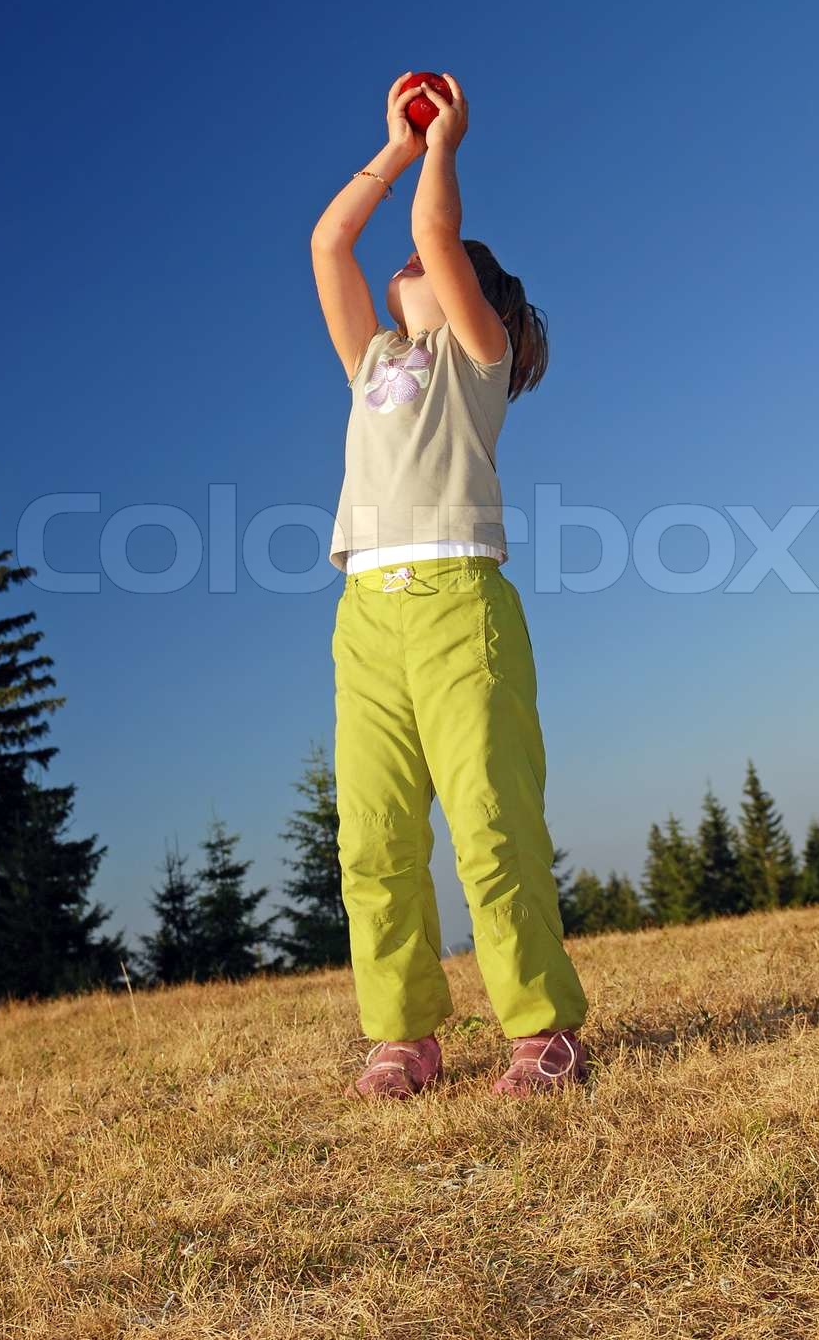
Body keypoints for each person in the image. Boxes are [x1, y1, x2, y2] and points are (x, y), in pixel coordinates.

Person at [310, 70, 590, 1100]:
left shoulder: (477, 353)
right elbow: (329, 246)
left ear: (477, 296)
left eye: (439, 265)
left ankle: (543, 1030)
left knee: (489, 818)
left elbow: (432, 237)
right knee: (373, 836)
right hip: (367, 618)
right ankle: (403, 1035)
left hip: (460, 608)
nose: (413, 264)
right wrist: (391, 146)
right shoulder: (374, 356)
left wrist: (443, 147)